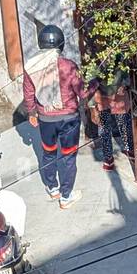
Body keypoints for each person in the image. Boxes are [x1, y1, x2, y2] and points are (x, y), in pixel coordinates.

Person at [22, 24, 87, 209]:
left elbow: (28, 92)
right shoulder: (68, 66)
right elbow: (82, 93)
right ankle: (66, 196)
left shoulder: (31, 67)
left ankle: (52, 188)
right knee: (68, 157)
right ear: (61, 43)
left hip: (45, 119)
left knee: (48, 153)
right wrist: (95, 83)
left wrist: (32, 112)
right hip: (69, 119)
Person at [89, 71, 133, 172]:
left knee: (123, 124)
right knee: (105, 128)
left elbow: (125, 74)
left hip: (118, 95)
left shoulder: (118, 56)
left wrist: (125, 85)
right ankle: (109, 158)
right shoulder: (96, 63)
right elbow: (90, 84)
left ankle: (128, 149)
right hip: (101, 97)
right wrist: (92, 107)